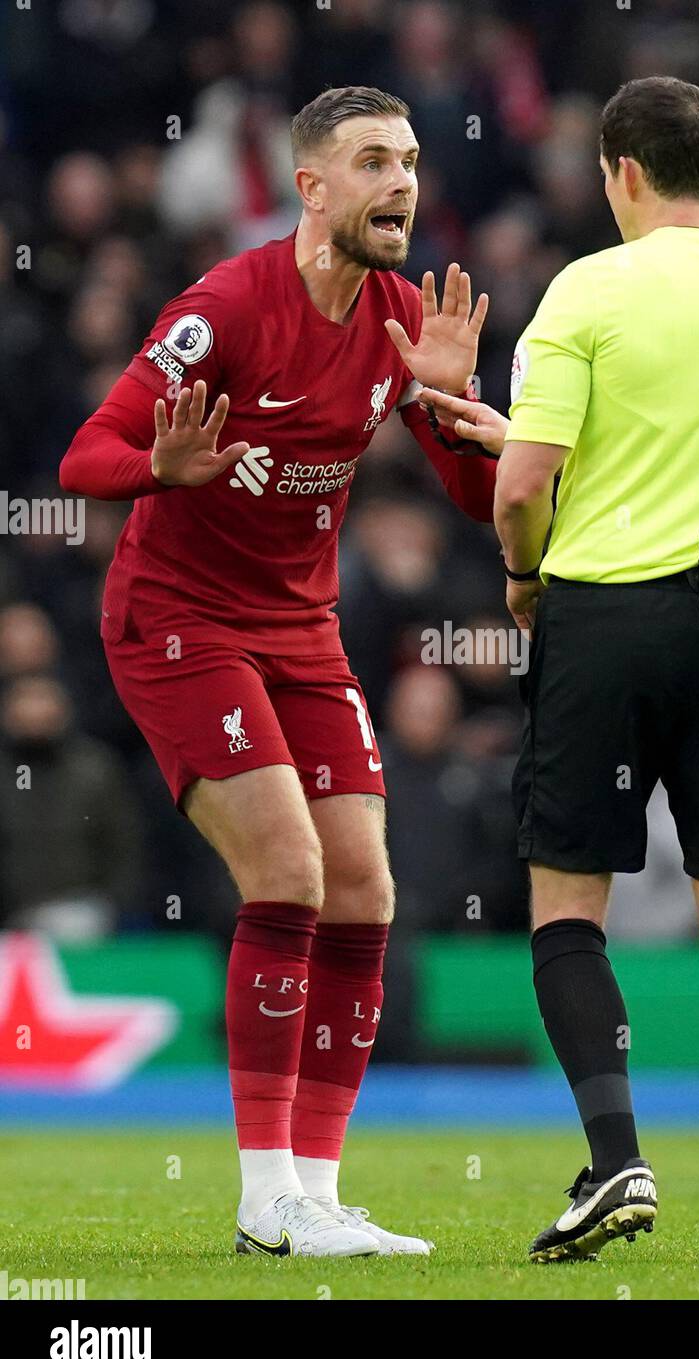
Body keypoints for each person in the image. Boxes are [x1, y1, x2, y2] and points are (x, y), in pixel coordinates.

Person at [60, 86, 498, 1259]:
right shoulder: (228, 305)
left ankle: (313, 1188)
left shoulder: (402, 312)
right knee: (291, 869)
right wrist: (164, 464)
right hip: (178, 619)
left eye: (408, 160)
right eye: (370, 162)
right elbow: (84, 455)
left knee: (365, 887)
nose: (400, 182)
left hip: (301, 628)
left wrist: (452, 408)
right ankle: (262, 1193)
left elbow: (467, 501)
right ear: (310, 186)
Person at [421, 75, 699, 1264]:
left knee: (564, 906)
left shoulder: (585, 289)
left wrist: (523, 575)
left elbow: (525, 489)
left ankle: (615, 1157)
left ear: (619, 173)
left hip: (599, 613)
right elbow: (681, 456)